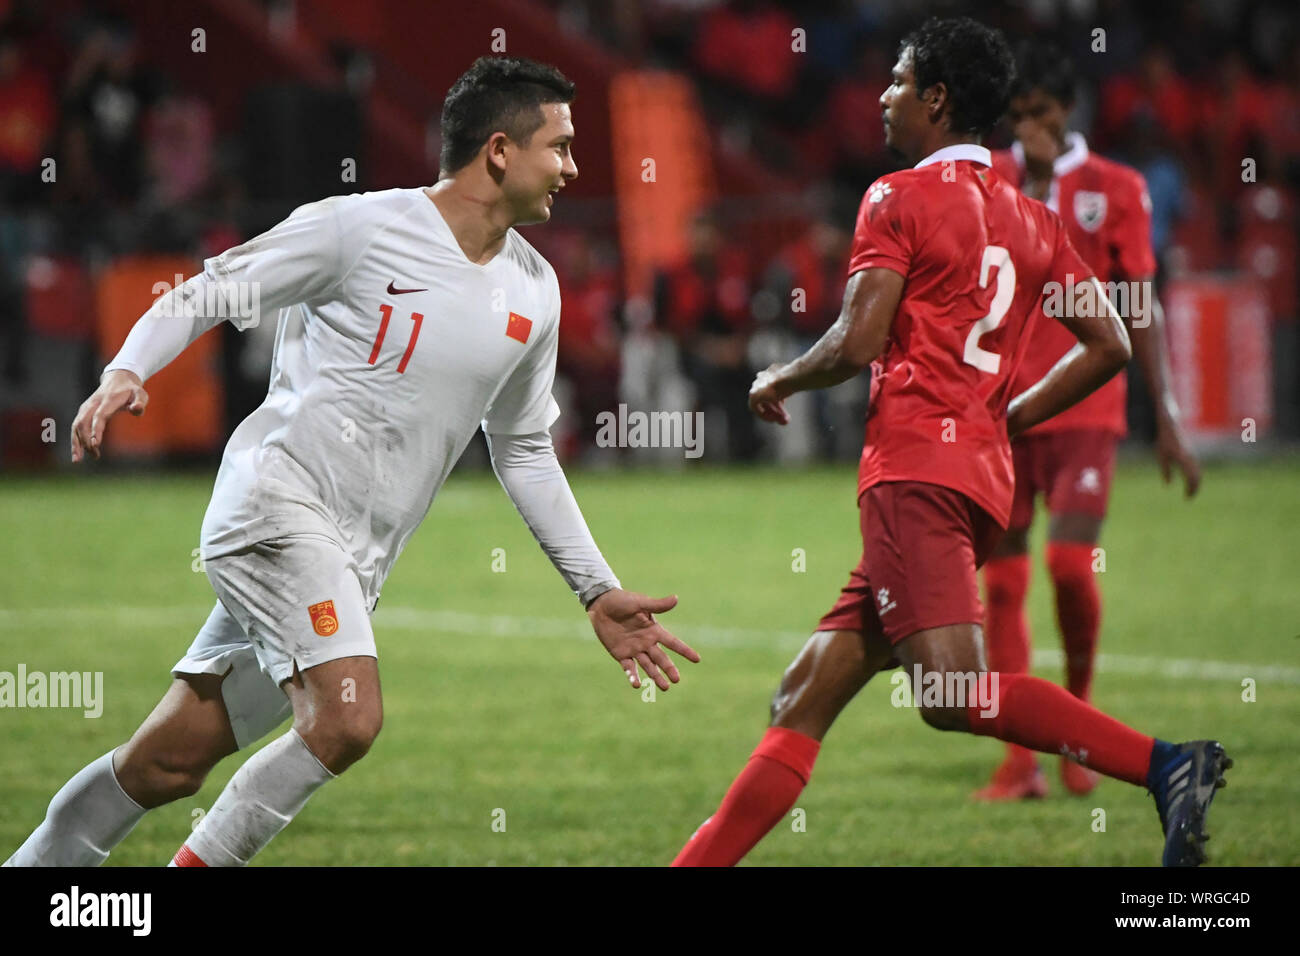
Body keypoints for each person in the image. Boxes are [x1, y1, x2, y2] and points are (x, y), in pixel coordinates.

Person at [5, 56, 698, 868]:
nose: (574, 169)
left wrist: (596, 587)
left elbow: (522, 449)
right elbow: (212, 290)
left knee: (166, 761)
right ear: (501, 150)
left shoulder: (535, 291)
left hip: (348, 564)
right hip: (275, 506)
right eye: (562, 147)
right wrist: (127, 368)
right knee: (346, 719)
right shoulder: (360, 228)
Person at [672, 17, 1228, 868]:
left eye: (897, 81)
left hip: (913, 478)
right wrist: (1006, 414)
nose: (883, 96)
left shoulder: (895, 197)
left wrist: (778, 377)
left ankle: (1165, 766)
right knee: (801, 697)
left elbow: (858, 343)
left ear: (936, 99)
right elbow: (1111, 344)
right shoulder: (1031, 218)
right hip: (971, 477)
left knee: (948, 693)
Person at [976, 41, 1201, 801]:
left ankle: (1078, 732)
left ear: (1067, 111)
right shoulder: (987, 181)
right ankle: (1021, 760)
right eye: (1016, 116)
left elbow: (1138, 301)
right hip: (1000, 409)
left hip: (1084, 407)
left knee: (1071, 567)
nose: (1027, 129)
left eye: (1039, 113)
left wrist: (1163, 412)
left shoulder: (1117, 187)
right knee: (1000, 588)